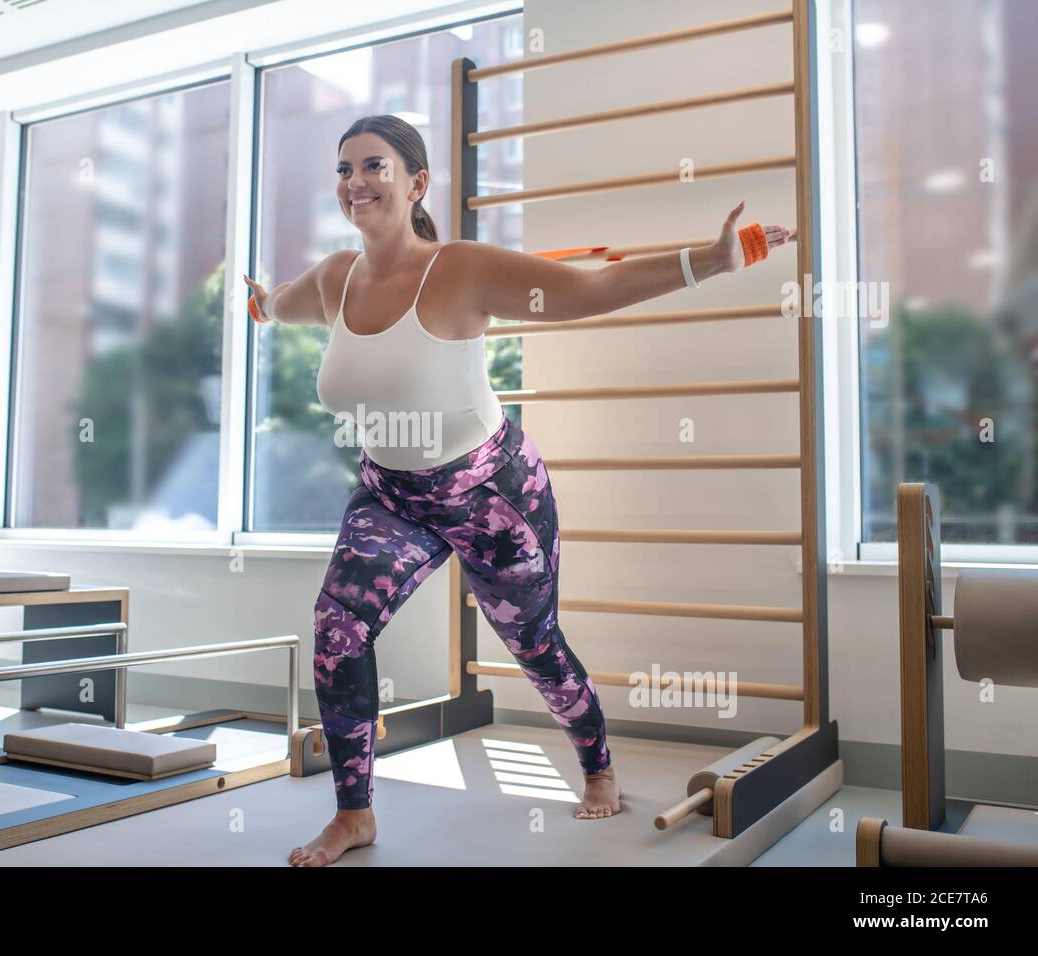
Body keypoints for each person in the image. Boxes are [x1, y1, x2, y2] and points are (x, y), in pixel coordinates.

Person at [242, 114, 795, 867]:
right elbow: (283, 306)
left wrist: (711, 260)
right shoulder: (337, 277)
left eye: (374, 165)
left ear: (416, 182)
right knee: (338, 630)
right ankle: (354, 815)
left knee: (535, 646)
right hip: (392, 496)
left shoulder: (461, 269)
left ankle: (597, 762)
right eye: (344, 169)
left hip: (492, 494)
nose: (356, 182)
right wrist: (258, 304)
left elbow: (593, 288)